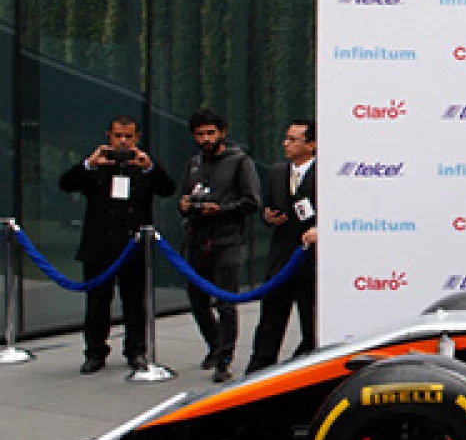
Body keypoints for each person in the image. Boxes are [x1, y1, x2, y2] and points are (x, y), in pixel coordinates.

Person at [58, 116, 176, 373]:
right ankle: (95, 352)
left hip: (132, 247)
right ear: (108, 136)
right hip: (99, 247)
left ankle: (136, 351)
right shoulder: (97, 166)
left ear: (137, 138)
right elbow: (66, 183)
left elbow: (168, 189)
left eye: (128, 136)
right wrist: (89, 164)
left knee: (135, 304)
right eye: (118, 136)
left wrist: (148, 168)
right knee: (97, 303)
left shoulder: (144, 165)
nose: (123, 142)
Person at [177, 108, 261, 383]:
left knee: (226, 302)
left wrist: (220, 210)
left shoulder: (239, 161)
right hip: (196, 240)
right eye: (200, 134)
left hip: (227, 240)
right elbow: (184, 198)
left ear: (221, 133)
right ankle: (214, 345)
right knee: (197, 300)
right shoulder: (193, 163)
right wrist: (186, 206)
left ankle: (224, 359)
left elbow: (252, 201)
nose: (205, 139)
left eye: (210, 133)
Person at [246, 120, 319, 373]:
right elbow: (267, 209)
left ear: (311, 145)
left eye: (293, 139)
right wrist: (269, 217)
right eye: (286, 138)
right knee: (271, 319)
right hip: (281, 257)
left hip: (311, 261)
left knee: (311, 320)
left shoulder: (325, 174)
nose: (285, 144)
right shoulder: (277, 173)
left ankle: (306, 365)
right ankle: (258, 369)